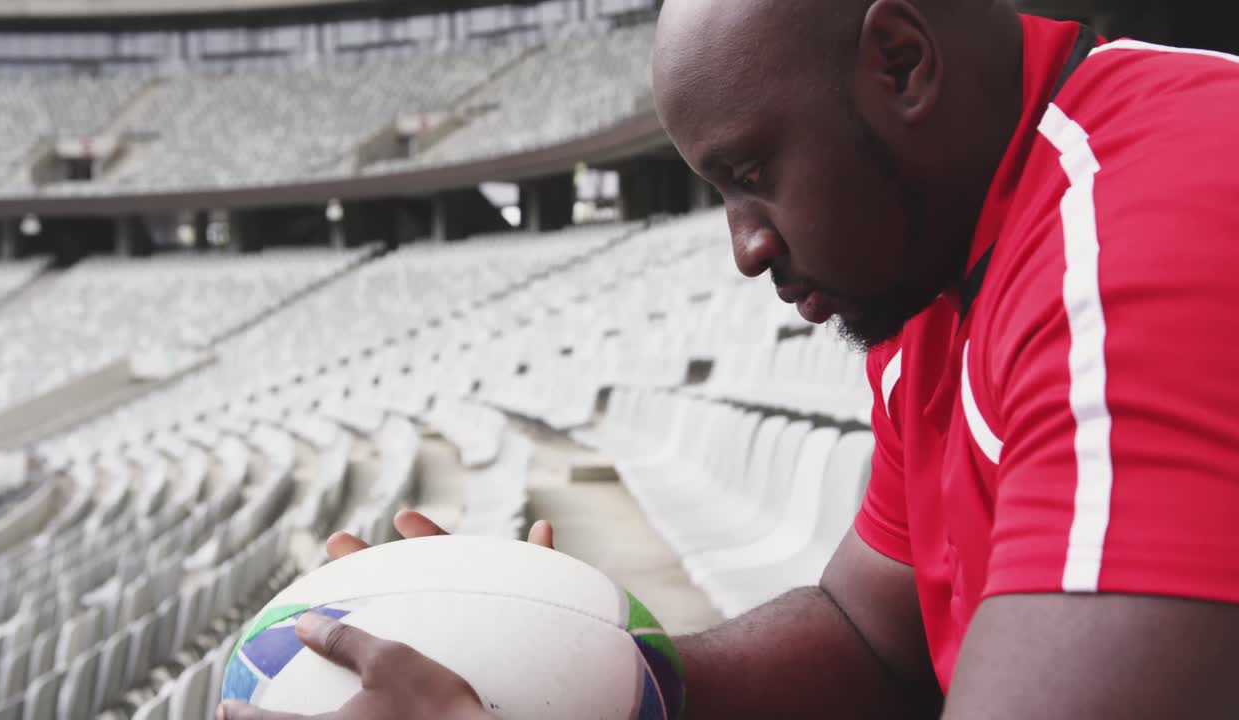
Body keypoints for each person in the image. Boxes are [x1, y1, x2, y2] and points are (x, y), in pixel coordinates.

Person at [220, 1, 1239, 718]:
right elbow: (869, 636)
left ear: (899, 63)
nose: (744, 247)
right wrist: (542, 662)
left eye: (749, 175)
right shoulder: (940, 267)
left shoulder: (1135, 246)